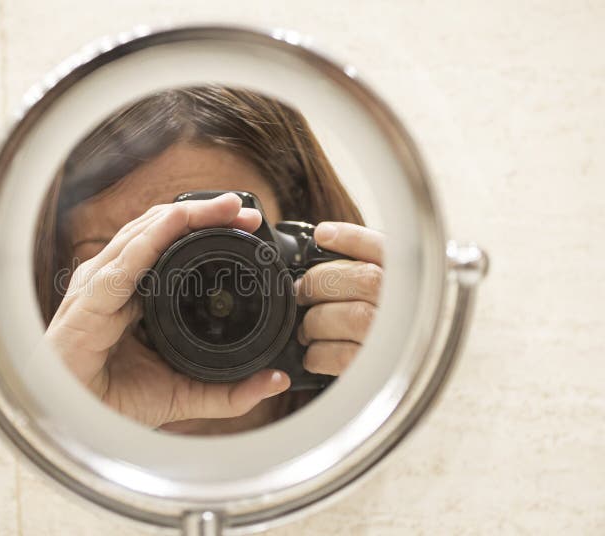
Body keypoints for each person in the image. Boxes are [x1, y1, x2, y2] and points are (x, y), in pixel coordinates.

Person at [33, 86, 384, 434]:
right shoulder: (40, 422)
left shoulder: (371, 396)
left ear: (297, 254)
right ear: (59, 268)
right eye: (123, 250)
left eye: (224, 246)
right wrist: (64, 418)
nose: (183, 288)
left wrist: (400, 382)